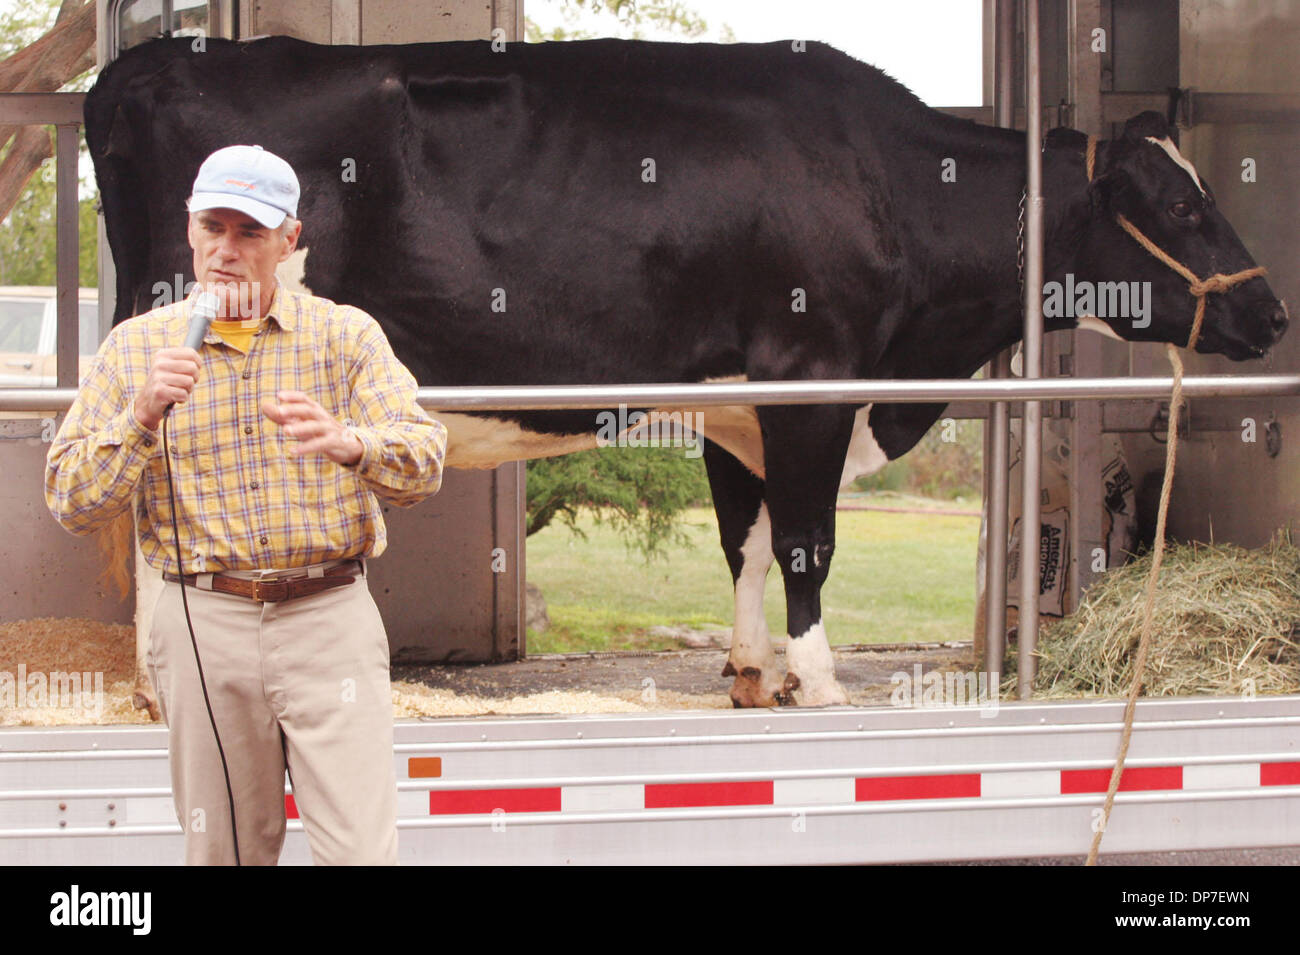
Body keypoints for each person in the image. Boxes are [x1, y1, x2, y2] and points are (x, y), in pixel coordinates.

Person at [45, 144, 447, 865]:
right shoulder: (136, 351)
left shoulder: (344, 336)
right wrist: (137, 419)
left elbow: (425, 459)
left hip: (330, 616)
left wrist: (353, 443)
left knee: (362, 853)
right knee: (223, 853)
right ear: (189, 229)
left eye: (250, 233)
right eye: (213, 228)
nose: (226, 251)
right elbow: (70, 500)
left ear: (289, 240)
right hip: (203, 619)